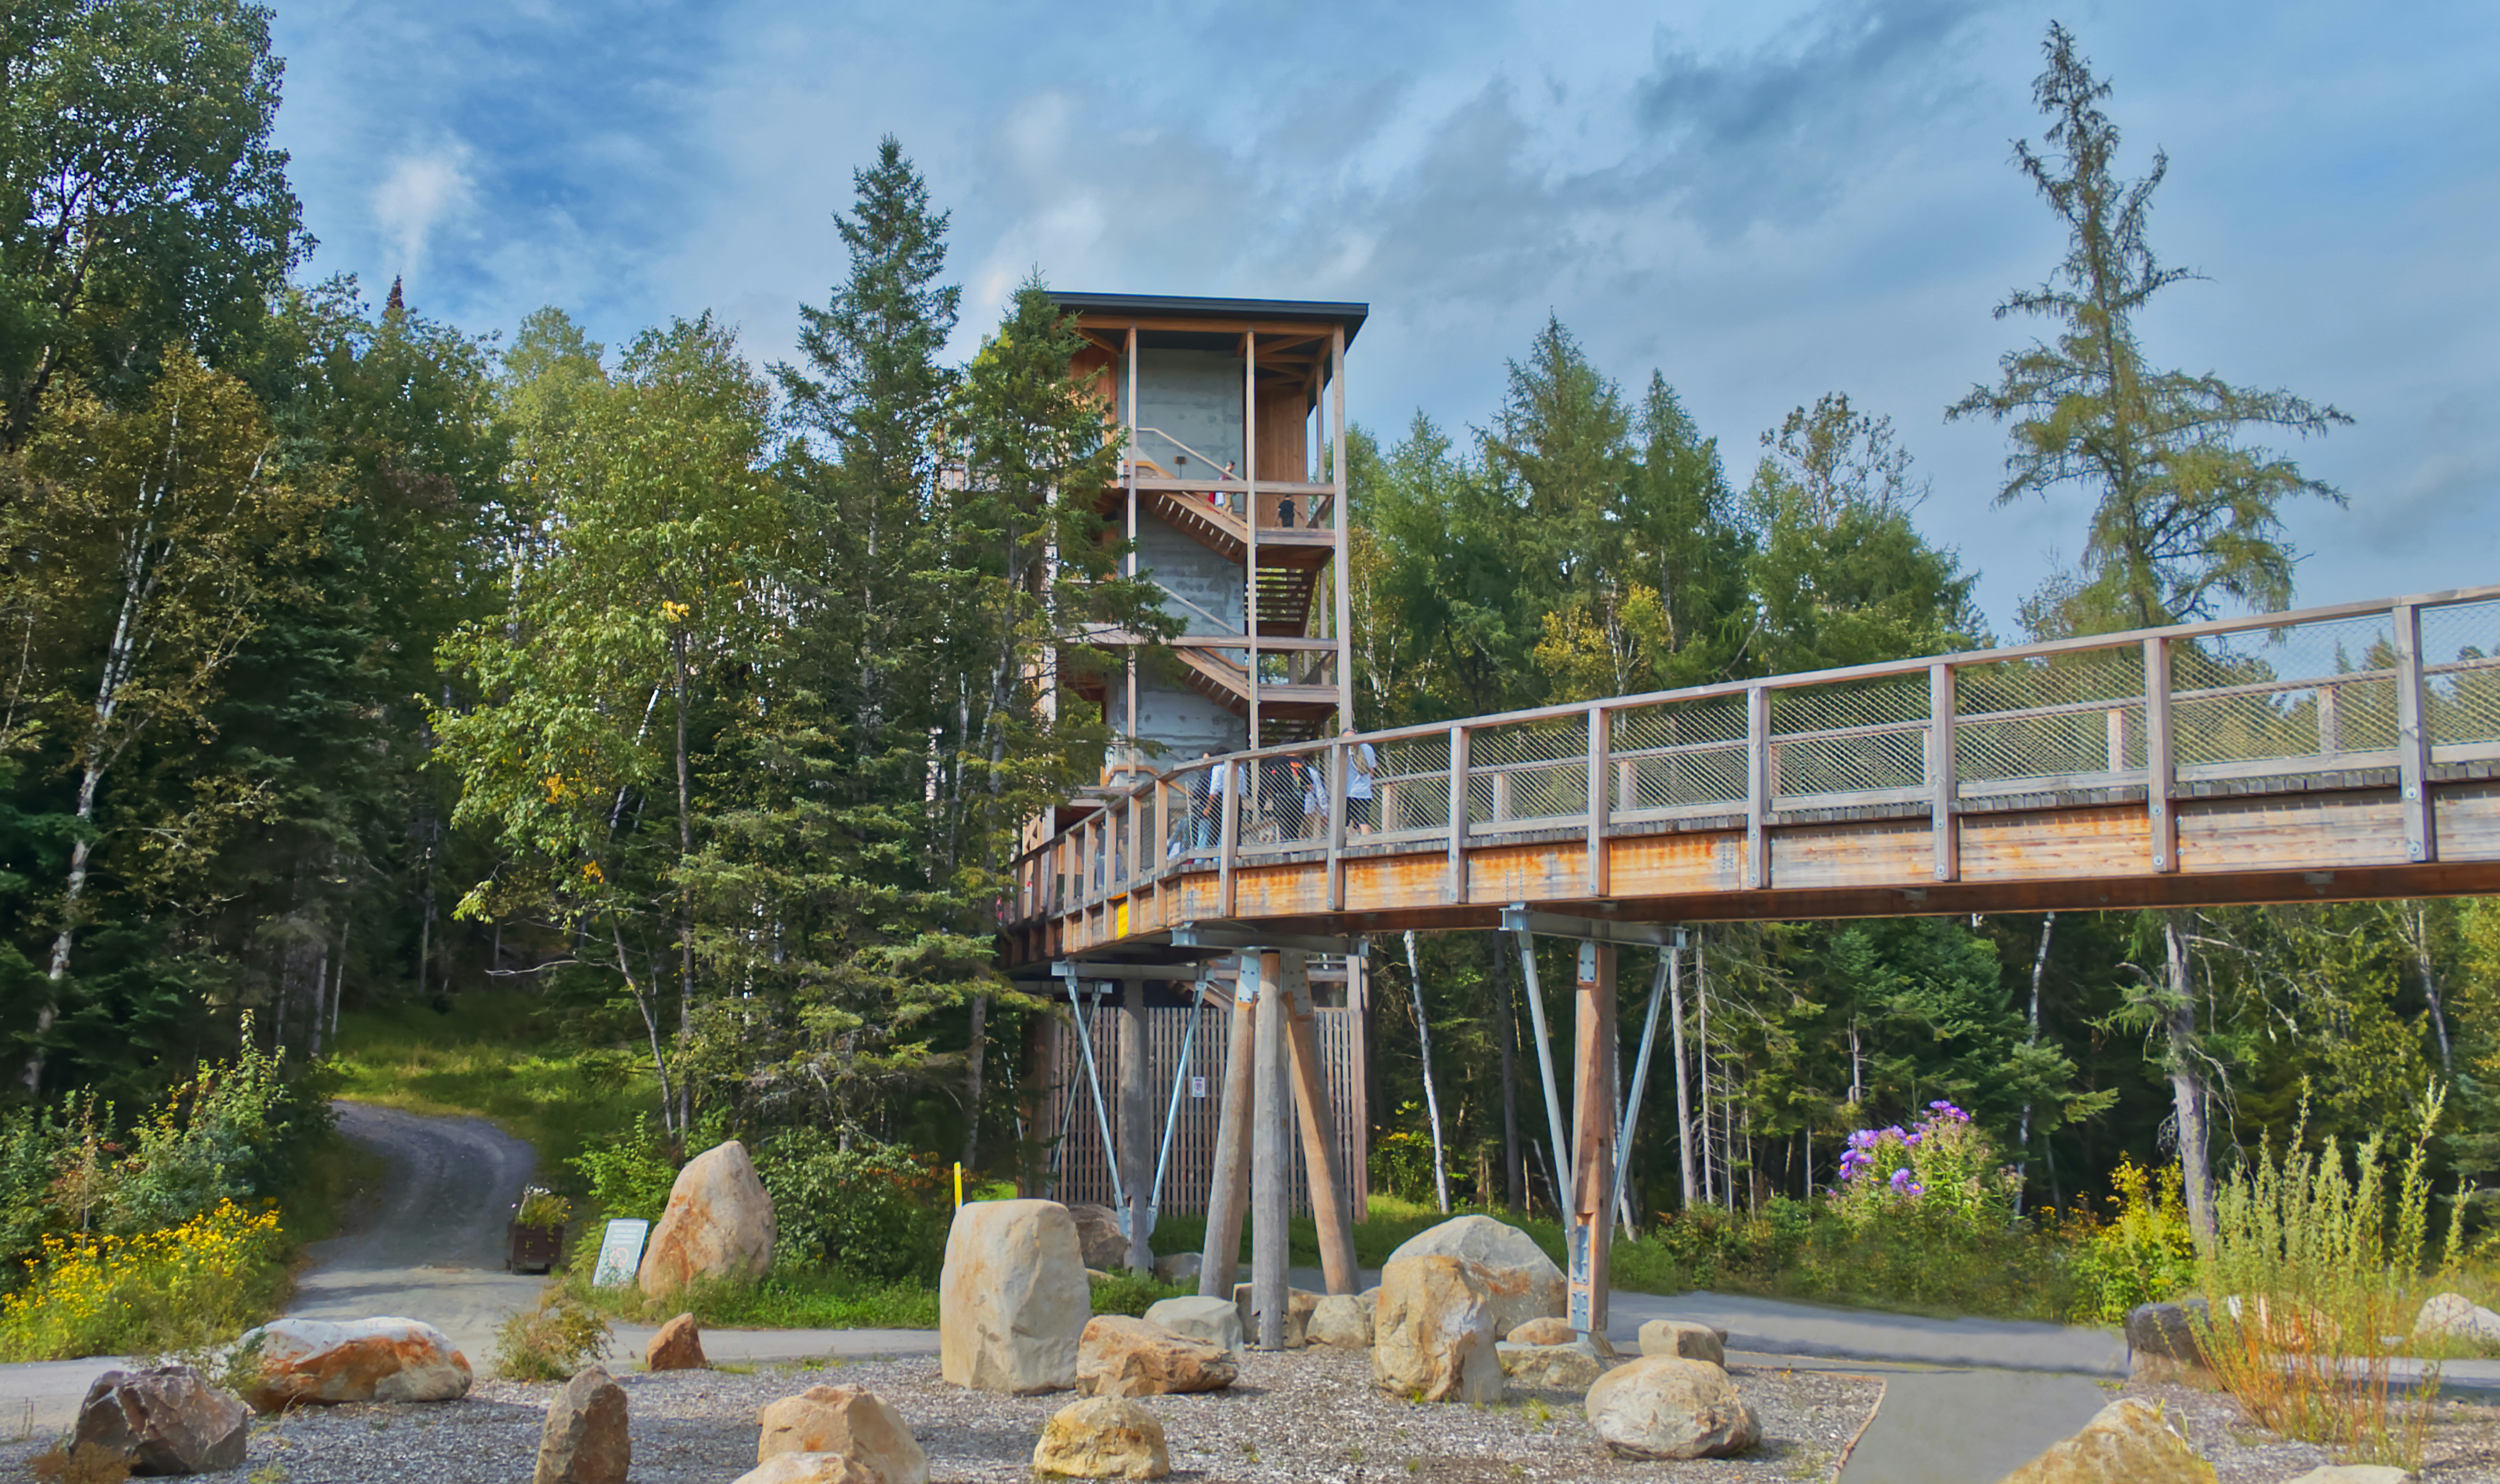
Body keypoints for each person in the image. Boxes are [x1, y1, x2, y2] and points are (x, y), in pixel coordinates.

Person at [1347, 739, 1379, 833]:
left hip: (1348, 791)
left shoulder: (1345, 748)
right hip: (1365, 791)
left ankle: (1343, 846)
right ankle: (1367, 846)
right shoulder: (1368, 748)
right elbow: (1372, 770)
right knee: (1363, 822)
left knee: (1343, 823)